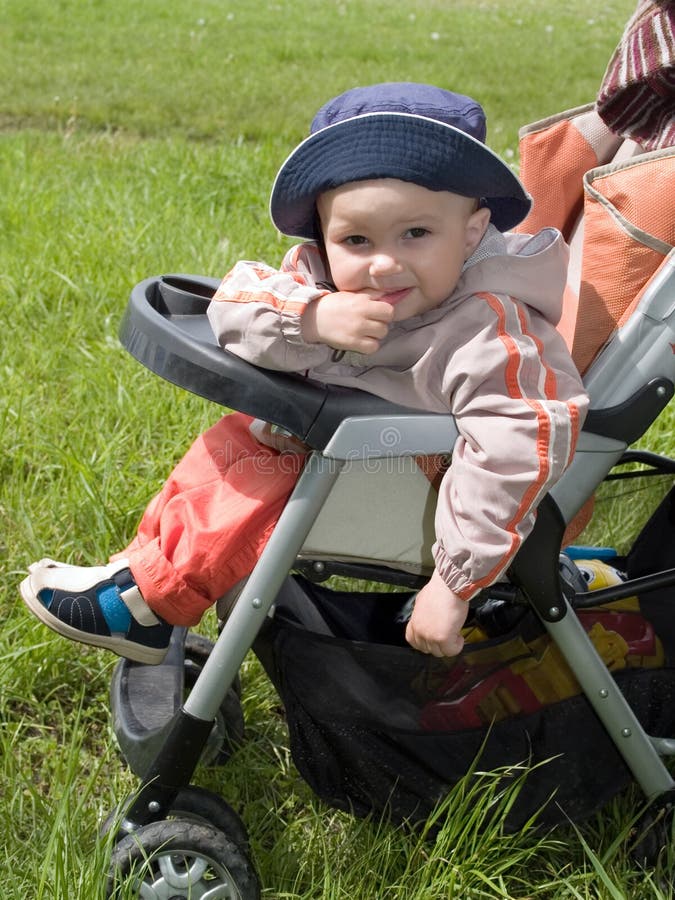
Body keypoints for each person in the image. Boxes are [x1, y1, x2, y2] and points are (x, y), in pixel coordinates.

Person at [20, 82, 588, 663]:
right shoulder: (322, 279)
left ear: (471, 232)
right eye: (356, 239)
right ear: (324, 236)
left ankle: (147, 605)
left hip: (450, 501)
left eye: (416, 233)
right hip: (343, 453)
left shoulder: (490, 330)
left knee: (265, 473)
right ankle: (139, 578)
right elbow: (235, 306)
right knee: (233, 446)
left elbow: (520, 443)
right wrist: (311, 318)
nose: (383, 262)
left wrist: (455, 582)